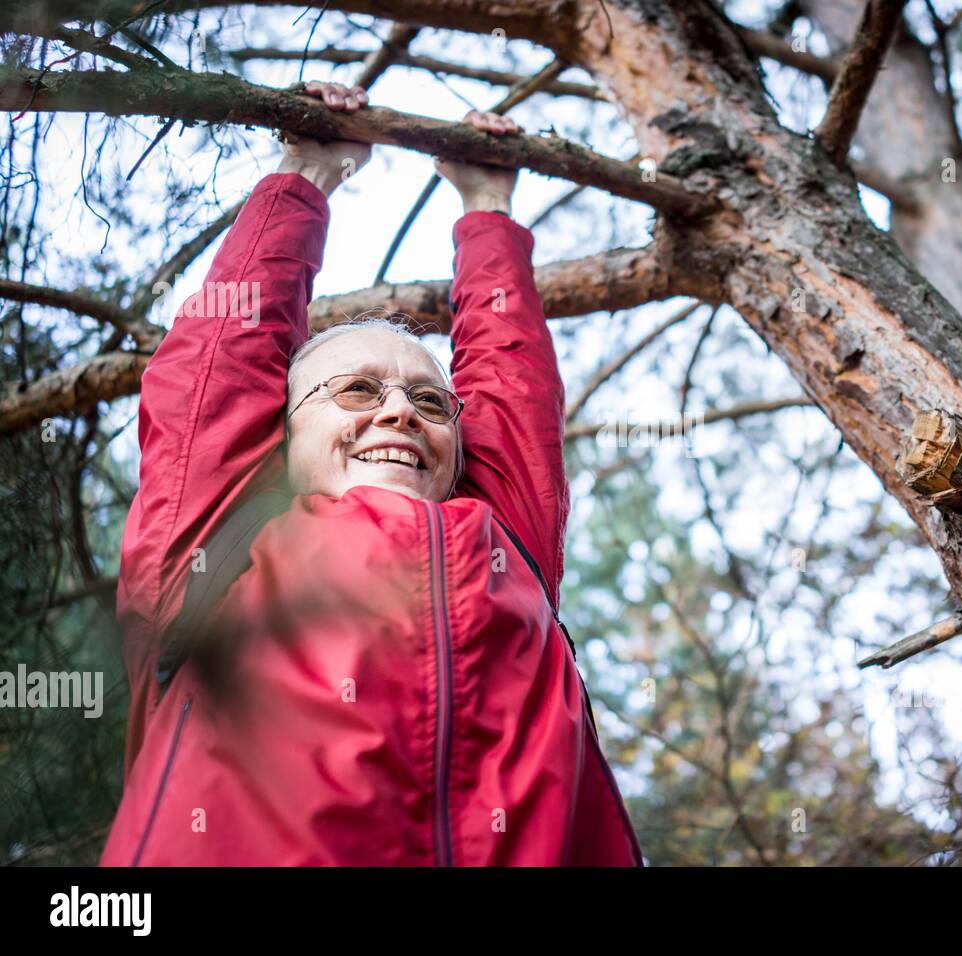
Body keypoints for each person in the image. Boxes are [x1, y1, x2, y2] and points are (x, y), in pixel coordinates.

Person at [98, 82, 643, 866]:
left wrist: (487, 201)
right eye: (357, 390)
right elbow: (218, 363)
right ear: (278, 440)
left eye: (428, 399)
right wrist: (308, 174)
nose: (399, 412)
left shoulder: (503, 551)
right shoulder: (215, 552)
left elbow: (512, 384)